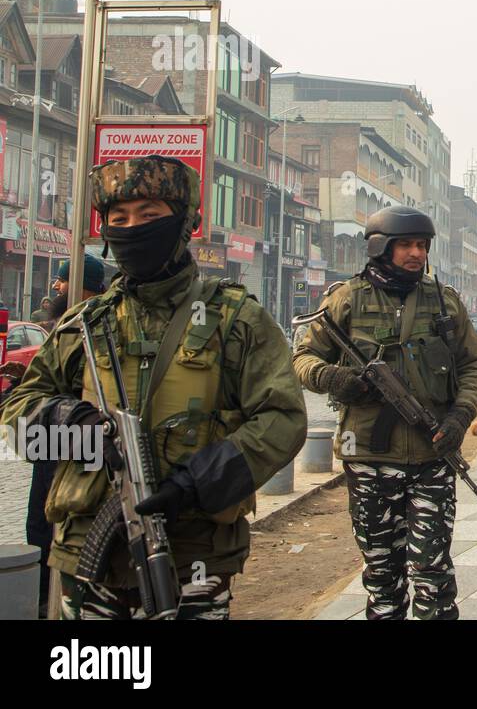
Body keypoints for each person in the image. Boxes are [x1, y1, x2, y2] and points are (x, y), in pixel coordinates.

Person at [0, 154, 307, 619]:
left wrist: (196, 483)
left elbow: (283, 419)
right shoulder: (83, 324)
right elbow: (17, 416)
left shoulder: (236, 320)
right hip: (88, 554)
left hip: (192, 551)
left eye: (149, 216)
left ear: (184, 224)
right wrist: (69, 422)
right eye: (118, 218)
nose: (132, 228)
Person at [295, 205, 477, 620]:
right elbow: (304, 357)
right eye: (406, 245)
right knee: (381, 571)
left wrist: (460, 416)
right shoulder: (346, 299)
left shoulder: (444, 302)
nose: (416, 253)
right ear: (381, 247)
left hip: (432, 457)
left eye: (421, 245)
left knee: (433, 570)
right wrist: (334, 379)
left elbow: (472, 364)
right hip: (367, 459)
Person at [24, 254, 108, 617]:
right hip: (52, 440)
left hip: (82, 444)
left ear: (82, 284)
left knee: (66, 526)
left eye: (63, 280)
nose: (56, 286)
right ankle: (44, 600)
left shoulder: (97, 321)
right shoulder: (61, 324)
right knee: (39, 526)